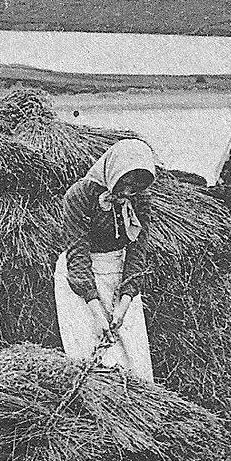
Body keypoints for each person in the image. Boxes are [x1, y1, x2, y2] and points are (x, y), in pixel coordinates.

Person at [53, 138, 158, 383]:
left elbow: (137, 251)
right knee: (91, 354)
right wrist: (97, 311)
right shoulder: (79, 196)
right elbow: (77, 255)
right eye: (124, 184)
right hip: (80, 280)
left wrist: (125, 301)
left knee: (132, 354)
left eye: (136, 188)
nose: (128, 193)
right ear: (113, 173)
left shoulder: (139, 199)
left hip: (120, 273)